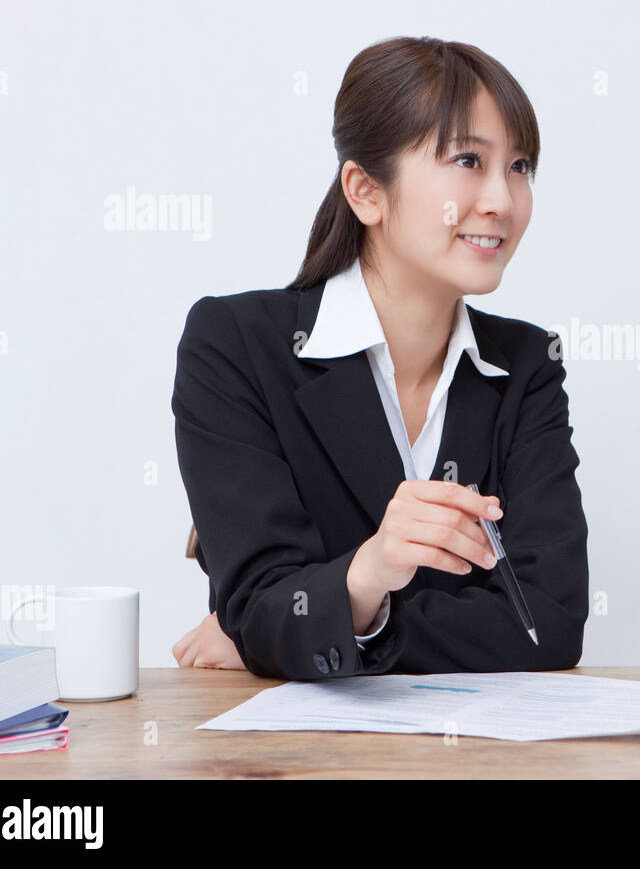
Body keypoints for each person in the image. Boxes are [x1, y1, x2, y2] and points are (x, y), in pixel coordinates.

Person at [171, 37, 588, 680]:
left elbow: (550, 626)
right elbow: (261, 602)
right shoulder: (235, 347)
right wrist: (364, 572)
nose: (503, 202)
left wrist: (308, 635)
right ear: (366, 191)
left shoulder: (527, 367)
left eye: (520, 166)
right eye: (469, 160)